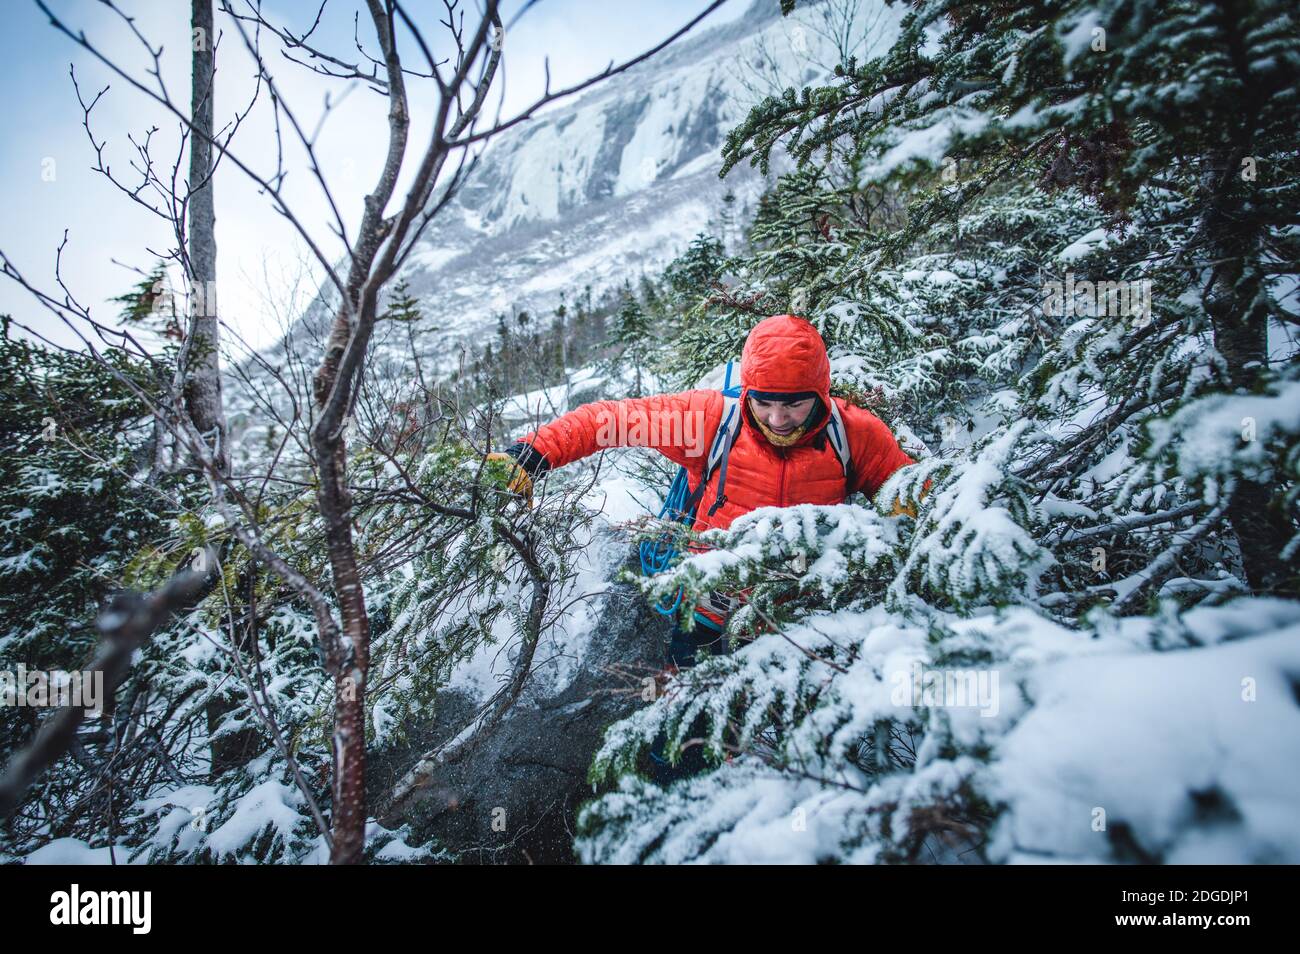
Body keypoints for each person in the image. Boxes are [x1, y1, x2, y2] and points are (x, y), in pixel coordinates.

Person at [485, 314, 929, 784]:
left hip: (804, 624)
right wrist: (532, 455)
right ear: (748, 391)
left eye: (795, 406)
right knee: (683, 735)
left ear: (821, 394)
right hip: (709, 615)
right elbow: (608, 421)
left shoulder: (854, 435)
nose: (779, 420)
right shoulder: (711, 422)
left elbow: (913, 493)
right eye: (764, 405)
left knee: (807, 747)